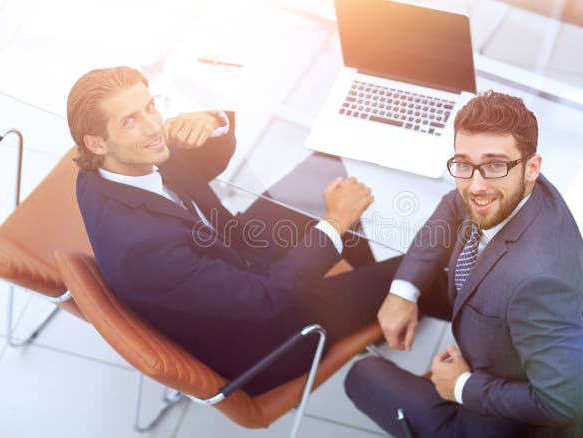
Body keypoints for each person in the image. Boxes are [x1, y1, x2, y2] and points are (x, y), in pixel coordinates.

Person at [68, 66, 399, 395]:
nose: (154, 126)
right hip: (273, 334)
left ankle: (378, 278)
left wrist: (211, 123)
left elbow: (201, 167)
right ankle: (407, 301)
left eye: (150, 106)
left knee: (329, 166)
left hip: (236, 247)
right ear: (96, 143)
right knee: (418, 272)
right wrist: (336, 222)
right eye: (130, 120)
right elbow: (265, 297)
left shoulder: (109, 168)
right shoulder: (143, 247)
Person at [345, 91, 583, 437]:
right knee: (390, 278)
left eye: (494, 165)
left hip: (515, 421)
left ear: (533, 167)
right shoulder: (517, 182)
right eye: (463, 164)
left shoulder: (539, 283)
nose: (475, 186)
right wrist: (403, 291)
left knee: (362, 376)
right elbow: (452, 205)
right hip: (513, 336)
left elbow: (560, 403)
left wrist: (461, 385)